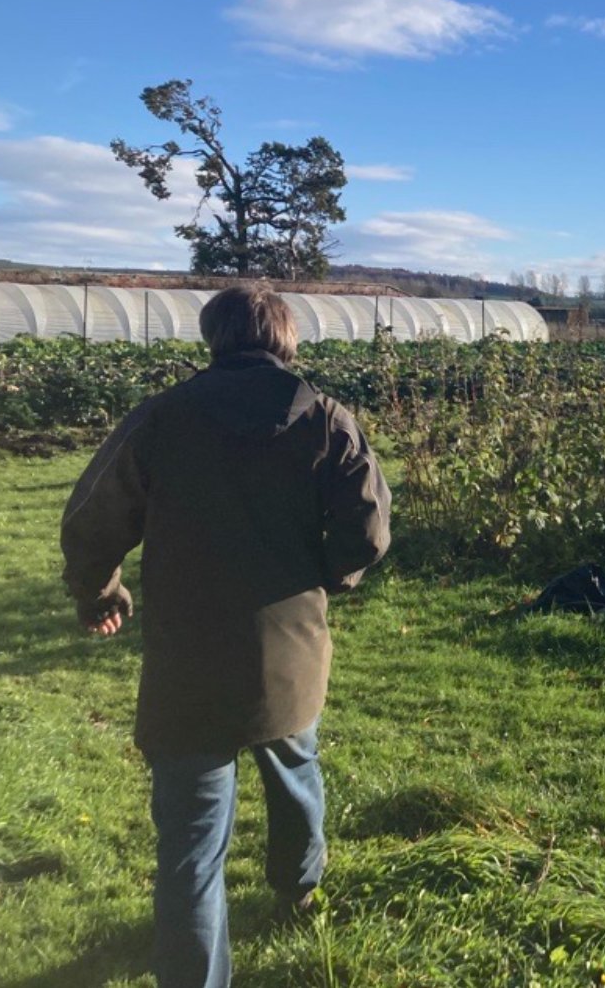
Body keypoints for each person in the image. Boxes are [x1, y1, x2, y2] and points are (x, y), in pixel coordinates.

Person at [61, 283, 391, 988]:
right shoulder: (325, 418)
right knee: (296, 769)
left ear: (214, 337)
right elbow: (367, 530)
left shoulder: (160, 418)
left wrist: (99, 593)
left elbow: (92, 517)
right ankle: (299, 887)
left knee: (192, 841)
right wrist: (328, 578)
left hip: (188, 661)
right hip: (291, 650)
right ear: (286, 338)